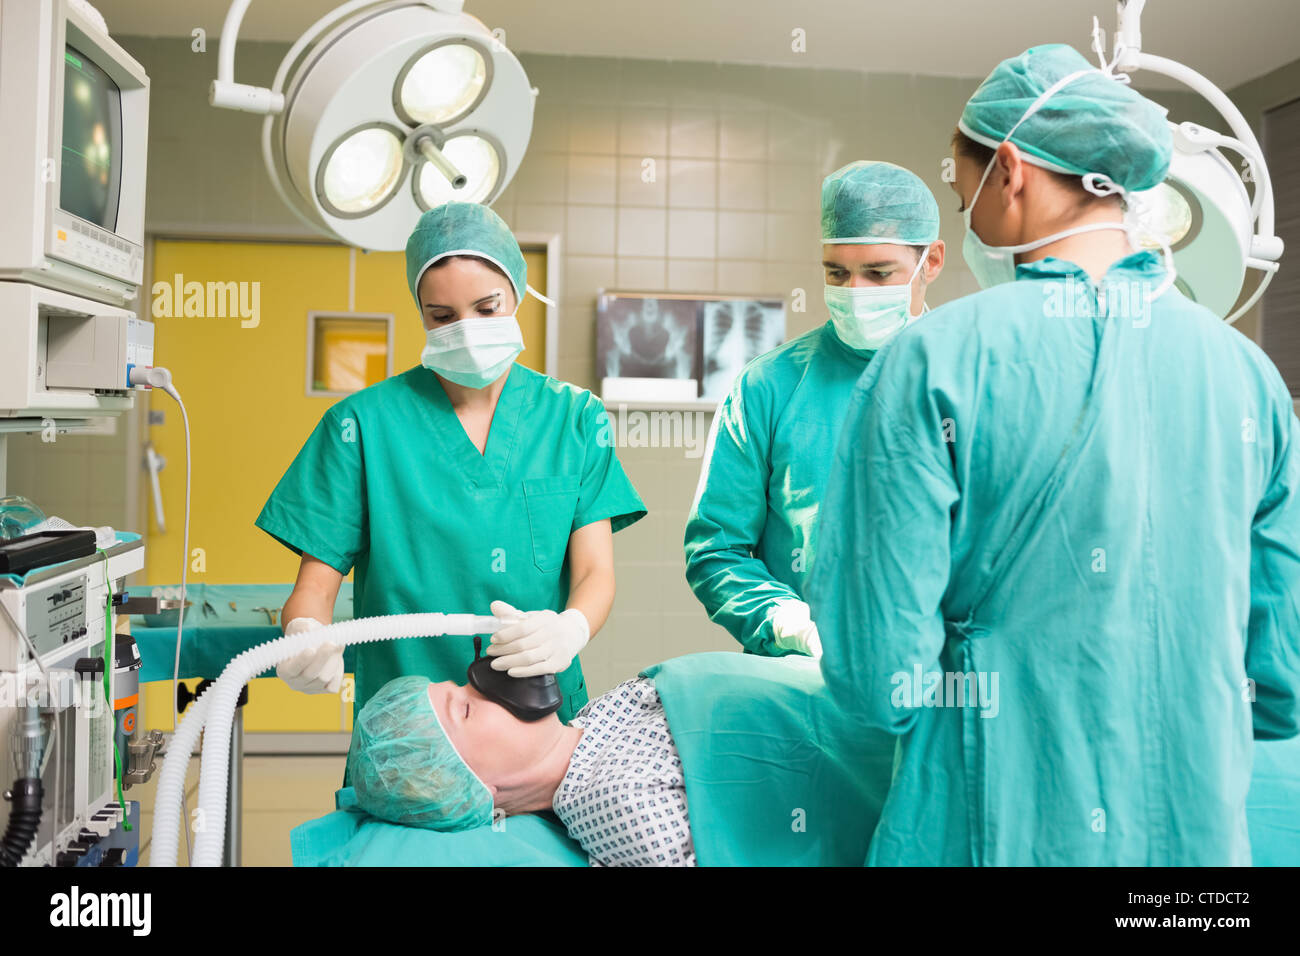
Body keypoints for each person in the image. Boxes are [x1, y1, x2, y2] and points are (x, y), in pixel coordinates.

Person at [807, 44, 1300, 865]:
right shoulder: (1249, 375)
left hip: (986, 826)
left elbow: (875, 683)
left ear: (1010, 172)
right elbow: (1280, 684)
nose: (966, 214)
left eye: (962, 194)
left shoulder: (933, 361)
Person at [256, 202, 646, 738]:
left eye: (487, 308)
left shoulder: (574, 418)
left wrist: (569, 629)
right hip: (409, 730)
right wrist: (305, 634)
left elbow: (594, 573)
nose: (466, 330)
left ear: (517, 294)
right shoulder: (362, 425)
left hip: (538, 721)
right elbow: (314, 589)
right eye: (442, 317)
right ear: (421, 312)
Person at [685, 161, 945, 658]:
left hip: (935, 681)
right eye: (836, 272)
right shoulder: (768, 386)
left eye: (877, 273)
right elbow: (717, 550)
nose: (854, 291)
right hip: (799, 680)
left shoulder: (970, 379)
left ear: (930, 261)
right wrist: (789, 623)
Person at [344, 652, 895, 867]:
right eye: (464, 709)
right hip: (879, 761)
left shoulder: (592, 723)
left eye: (459, 682)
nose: (479, 683)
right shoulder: (610, 805)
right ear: (478, 790)